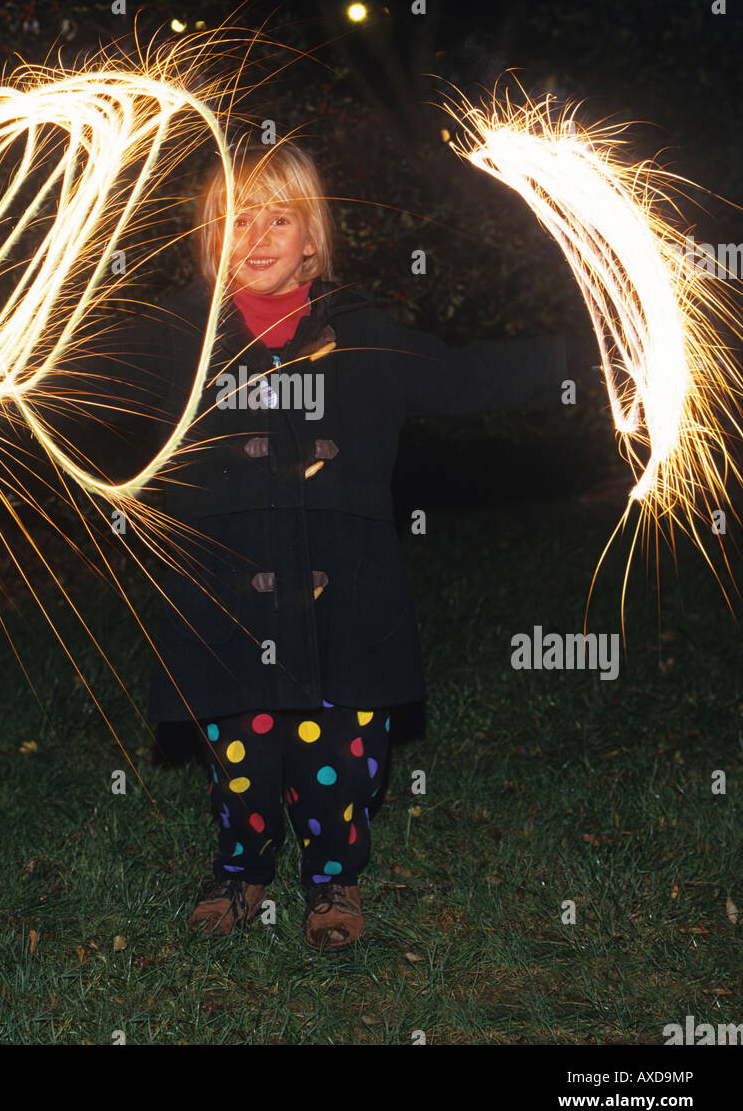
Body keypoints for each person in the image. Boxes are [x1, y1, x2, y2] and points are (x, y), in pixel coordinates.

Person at [106, 138, 569, 951]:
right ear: (205, 235)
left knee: (337, 760)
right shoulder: (171, 338)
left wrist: (579, 354)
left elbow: (465, 378)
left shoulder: (363, 335)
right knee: (241, 757)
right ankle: (241, 867)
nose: (255, 234)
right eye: (234, 217)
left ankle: (332, 878)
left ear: (312, 237)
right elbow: (71, 370)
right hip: (222, 593)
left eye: (277, 217)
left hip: (345, 593)